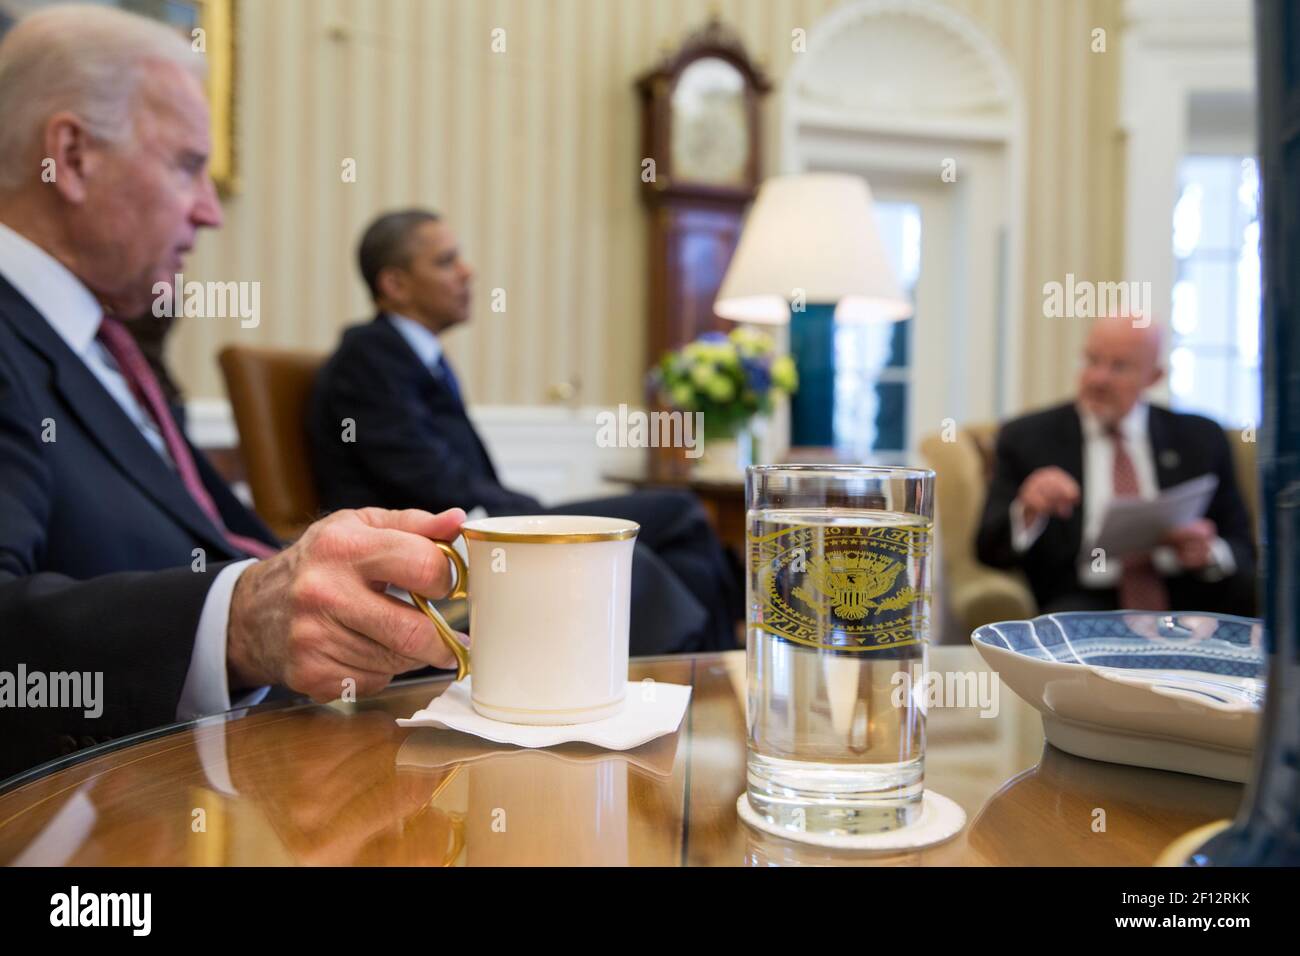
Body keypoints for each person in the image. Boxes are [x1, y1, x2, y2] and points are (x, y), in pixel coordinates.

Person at [0, 5, 463, 780]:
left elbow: (223, 541)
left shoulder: (115, 351)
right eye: (186, 166)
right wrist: (240, 622)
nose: (210, 211)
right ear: (71, 157)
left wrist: (331, 584)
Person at [308, 209, 743, 655]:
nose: (467, 272)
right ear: (394, 284)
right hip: (449, 542)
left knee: (680, 516)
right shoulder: (368, 356)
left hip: (485, 520)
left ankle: (708, 668)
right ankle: (702, 674)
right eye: (445, 262)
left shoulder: (416, 356)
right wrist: (527, 511)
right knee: (641, 550)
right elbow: (423, 477)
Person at [975, 315, 1256, 616]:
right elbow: (989, 551)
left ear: (1154, 376)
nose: (1098, 379)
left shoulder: (1201, 438)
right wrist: (1028, 511)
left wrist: (1209, 552)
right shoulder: (1027, 437)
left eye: (1119, 366)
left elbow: (1242, 545)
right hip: (1080, 602)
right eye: (1092, 361)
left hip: (1186, 597)